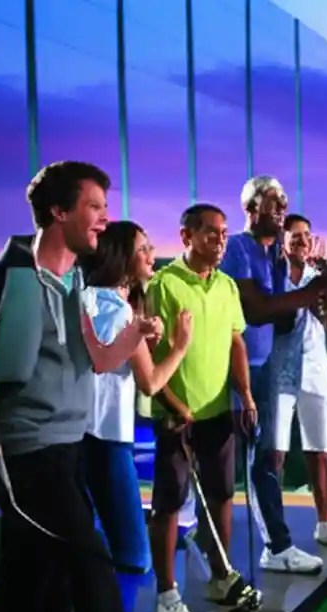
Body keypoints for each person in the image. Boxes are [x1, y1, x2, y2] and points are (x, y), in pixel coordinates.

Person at [0, 161, 185, 612]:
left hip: (66, 448)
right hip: (31, 455)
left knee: (27, 581)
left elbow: (98, 361)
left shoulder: (73, 281)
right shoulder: (21, 283)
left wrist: (136, 331)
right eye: (94, 207)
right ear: (59, 212)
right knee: (88, 556)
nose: (104, 219)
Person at [146, 203, 263, 612]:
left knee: (221, 496)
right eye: (211, 232)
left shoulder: (227, 286)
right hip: (174, 415)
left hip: (218, 411)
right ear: (187, 236)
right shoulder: (164, 284)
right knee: (169, 502)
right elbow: (148, 356)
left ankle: (220, 576)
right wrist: (172, 405)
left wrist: (245, 395)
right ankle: (167, 593)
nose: (220, 240)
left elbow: (236, 343)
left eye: (224, 233)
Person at [219, 176, 327, 574]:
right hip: (233, 369)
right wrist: (312, 291)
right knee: (233, 461)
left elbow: (281, 319)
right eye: (273, 201)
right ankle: (221, 538)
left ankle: (275, 546)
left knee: (262, 458)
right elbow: (256, 310)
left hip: (264, 368)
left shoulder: (276, 257)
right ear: (251, 208)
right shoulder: (237, 248)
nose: (282, 207)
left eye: (284, 200)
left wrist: (323, 295)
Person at [78, 221, 192, 586]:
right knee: (134, 555)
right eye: (142, 249)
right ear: (122, 259)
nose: (151, 254)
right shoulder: (119, 311)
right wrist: (180, 347)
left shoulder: (87, 299)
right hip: (107, 439)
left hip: (77, 435)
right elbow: (150, 382)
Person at [262, 214, 327, 547]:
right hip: (279, 368)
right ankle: (275, 528)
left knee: (320, 450)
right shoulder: (272, 276)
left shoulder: (319, 277)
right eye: (295, 235)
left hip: (315, 369)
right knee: (276, 453)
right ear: (283, 241)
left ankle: (325, 522)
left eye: (307, 235)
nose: (302, 240)